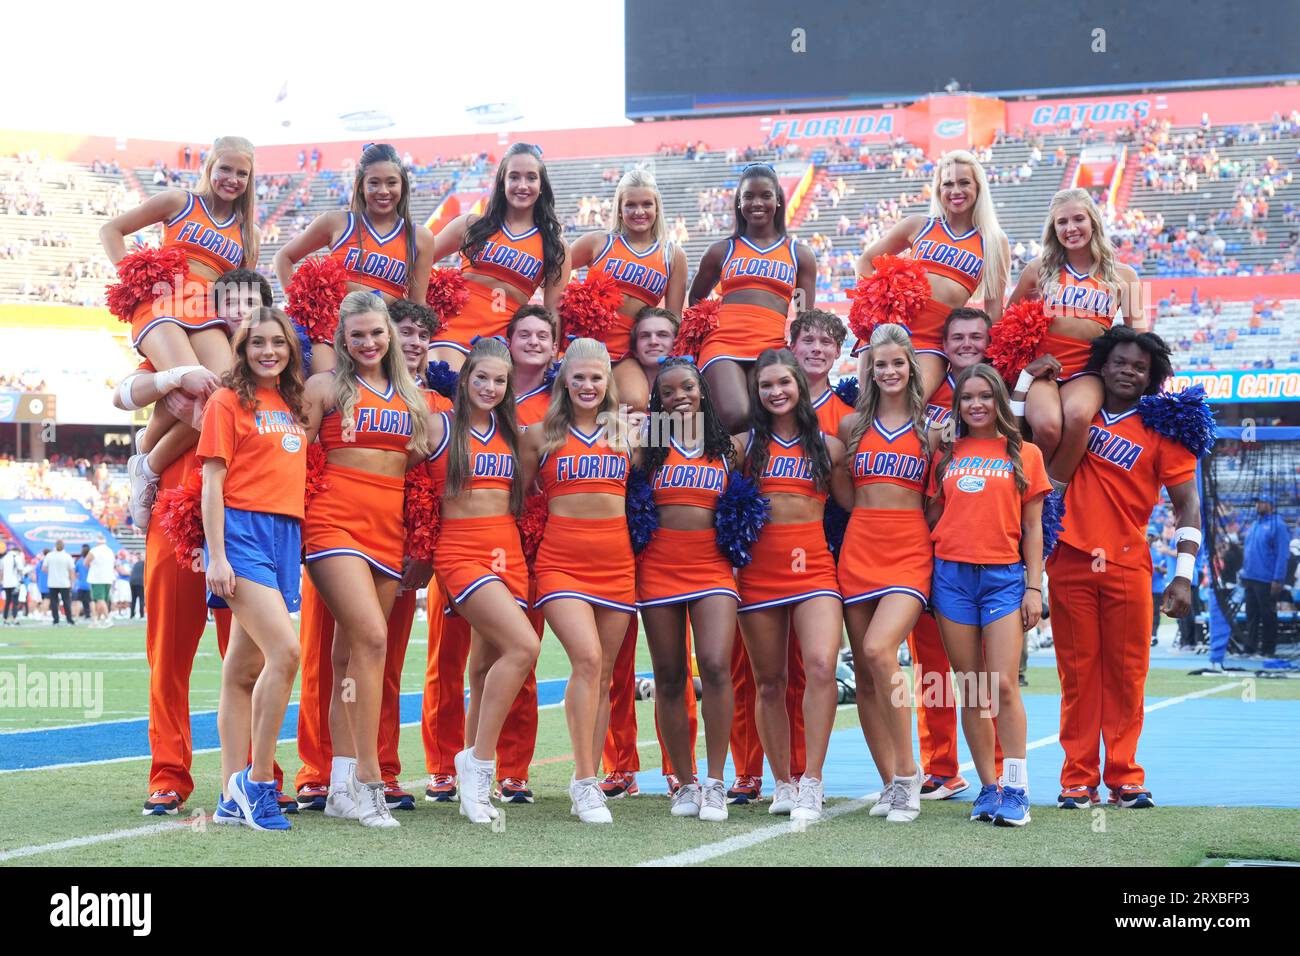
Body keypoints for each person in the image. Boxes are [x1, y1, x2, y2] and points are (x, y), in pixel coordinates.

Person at [294, 298, 446, 813]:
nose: (368, 344)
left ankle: (339, 784)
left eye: (376, 333)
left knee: (350, 661)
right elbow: (291, 455)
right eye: (357, 335)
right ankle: (370, 781)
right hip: (332, 523)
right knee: (374, 640)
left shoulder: (414, 397)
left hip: (388, 530)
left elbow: (424, 466)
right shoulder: (324, 388)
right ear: (341, 336)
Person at [1048, 326, 1202, 810]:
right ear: (1103, 364)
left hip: (1130, 565)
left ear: (1152, 375)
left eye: (1139, 366)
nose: (1128, 371)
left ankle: (1124, 776)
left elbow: (1188, 505)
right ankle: (1077, 779)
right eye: (1120, 362)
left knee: (1127, 674)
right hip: (1069, 558)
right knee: (1078, 676)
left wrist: (1183, 573)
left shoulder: (1164, 427)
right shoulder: (1074, 410)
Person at [422, 305, 556, 807]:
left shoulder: (515, 434)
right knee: (523, 648)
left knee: (486, 665)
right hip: (460, 552)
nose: (491, 388)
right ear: (466, 377)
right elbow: (400, 473)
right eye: (482, 377)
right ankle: (478, 764)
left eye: (500, 381)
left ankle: (470, 764)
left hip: (509, 552)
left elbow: (528, 492)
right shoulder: (438, 427)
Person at [727, 309, 849, 804]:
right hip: (759, 572)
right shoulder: (741, 446)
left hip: (816, 568)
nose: (776, 392)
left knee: (821, 666)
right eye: (766, 385)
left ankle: (813, 779)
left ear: (799, 384)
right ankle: (781, 783)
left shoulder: (831, 446)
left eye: (784, 382)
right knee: (769, 680)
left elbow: (856, 507)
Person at [926, 364, 1051, 827]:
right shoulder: (946, 454)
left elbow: (1034, 527)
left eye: (985, 395)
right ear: (957, 405)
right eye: (966, 397)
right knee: (973, 688)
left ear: (999, 400)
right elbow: (933, 513)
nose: (976, 404)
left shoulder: (1027, 454)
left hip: (1003, 578)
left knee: (1001, 685)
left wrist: (1034, 587)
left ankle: (1017, 787)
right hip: (952, 577)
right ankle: (988, 786)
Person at [518, 338, 635, 823]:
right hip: (560, 562)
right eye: (579, 376)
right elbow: (518, 498)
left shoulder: (630, 431)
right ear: (564, 379)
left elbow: (697, 437)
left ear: (609, 381)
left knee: (603, 672)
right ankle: (586, 782)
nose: (588, 385)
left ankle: (586, 775)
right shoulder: (539, 433)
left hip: (618, 564)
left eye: (597, 377)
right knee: (586, 658)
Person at [200, 307, 308, 830]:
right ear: (242, 350)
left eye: (279, 343)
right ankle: (258, 780)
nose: (269, 352)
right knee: (286, 652)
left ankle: (227, 795)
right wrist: (216, 555)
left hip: (285, 534)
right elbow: (212, 482)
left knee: (241, 673)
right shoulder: (227, 401)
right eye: (257, 343)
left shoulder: (292, 402)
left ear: (291, 350)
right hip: (241, 534)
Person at [636, 357, 746, 820]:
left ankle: (717, 781)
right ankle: (684, 782)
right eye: (668, 392)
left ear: (702, 391)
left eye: (687, 388)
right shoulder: (648, 446)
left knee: (718, 666)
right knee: (669, 675)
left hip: (713, 569)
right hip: (658, 568)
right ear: (657, 402)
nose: (679, 397)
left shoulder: (726, 449)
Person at [838, 324, 933, 822]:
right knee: (868, 676)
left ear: (911, 367)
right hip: (858, 550)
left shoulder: (931, 429)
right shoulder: (852, 427)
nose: (890, 371)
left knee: (879, 651)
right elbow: (843, 491)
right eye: (881, 364)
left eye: (898, 363)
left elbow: (938, 501)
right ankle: (889, 784)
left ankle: (909, 774)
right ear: (869, 371)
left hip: (909, 553)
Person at [118, 268, 272, 530]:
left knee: (219, 399)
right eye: (230, 303)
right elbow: (122, 396)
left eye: (250, 303)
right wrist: (177, 377)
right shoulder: (197, 345)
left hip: (240, 481)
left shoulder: (274, 355)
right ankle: (147, 458)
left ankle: (148, 456)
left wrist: (202, 420)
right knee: (208, 384)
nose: (240, 311)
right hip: (184, 478)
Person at [1006, 188, 1142, 484]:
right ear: (1053, 229)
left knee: (1079, 415)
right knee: (1048, 426)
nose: (1071, 228)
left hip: (1088, 371)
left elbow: (1140, 338)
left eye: (1078, 219)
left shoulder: (1124, 276)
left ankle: (1053, 495)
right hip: (1044, 371)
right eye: (1062, 222)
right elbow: (1007, 325)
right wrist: (1027, 367)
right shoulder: (1038, 269)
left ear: (1093, 221)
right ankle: (1024, 487)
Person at [855, 150, 1009, 401]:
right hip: (889, 328)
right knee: (868, 406)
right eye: (947, 183)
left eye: (964, 183)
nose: (955, 190)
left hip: (934, 341)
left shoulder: (993, 241)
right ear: (938, 189)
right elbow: (865, 261)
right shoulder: (918, 225)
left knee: (910, 404)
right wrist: (871, 309)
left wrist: (992, 363)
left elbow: (993, 311)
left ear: (978, 187)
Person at [100, 136, 256, 375]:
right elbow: (111, 230)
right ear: (210, 166)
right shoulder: (180, 202)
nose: (233, 179)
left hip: (206, 312)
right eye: (225, 168)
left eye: (242, 173)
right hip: (162, 300)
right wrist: (132, 277)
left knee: (222, 390)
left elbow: (242, 293)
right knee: (191, 382)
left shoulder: (249, 233)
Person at [274, 143, 436, 371]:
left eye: (391, 182)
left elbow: (416, 306)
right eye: (374, 183)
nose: (383, 191)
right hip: (331, 332)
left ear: (403, 185)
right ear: (360, 186)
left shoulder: (419, 238)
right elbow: (284, 258)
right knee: (330, 388)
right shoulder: (336, 223)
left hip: (379, 342)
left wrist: (420, 353)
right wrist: (301, 309)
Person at [689, 164, 818, 431]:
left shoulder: (799, 255)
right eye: (748, 196)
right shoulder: (721, 250)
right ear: (739, 202)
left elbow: (804, 312)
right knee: (737, 414)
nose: (756, 203)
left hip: (770, 346)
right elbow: (695, 299)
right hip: (723, 342)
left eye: (765, 195)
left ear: (778, 199)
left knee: (766, 421)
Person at [428, 143, 570, 369]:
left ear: (542, 185)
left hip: (503, 344)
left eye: (531, 178)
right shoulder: (470, 225)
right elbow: (420, 260)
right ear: (502, 182)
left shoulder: (554, 245)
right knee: (450, 385)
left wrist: (551, 362)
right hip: (453, 332)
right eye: (514, 177)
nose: (522, 185)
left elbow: (552, 310)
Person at [568, 167, 687, 410]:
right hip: (585, 342)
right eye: (630, 205)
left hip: (628, 351)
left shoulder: (672, 255)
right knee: (572, 404)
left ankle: (619, 448)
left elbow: (673, 319)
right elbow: (551, 271)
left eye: (646, 204)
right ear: (619, 209)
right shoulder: (598, 242)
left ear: (657, 207)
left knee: (635, 403)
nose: (639, 211)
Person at [1239, 495, 1290, 657]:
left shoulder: (1278, 525)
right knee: (1251, 614)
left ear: (1270, 505)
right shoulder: (1255, 524)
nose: (1257, 505)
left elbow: (1283, 554)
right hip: (1250, 577)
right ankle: (1250, 647)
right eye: (1256, 502)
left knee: (1268, 615)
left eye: (1261, 502)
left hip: (1267, 579)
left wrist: (1278, 579)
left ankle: (1268, 649)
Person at [86, 535, 116, 629]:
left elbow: (86, 562)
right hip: (108, 577)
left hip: (97, 577)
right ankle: (98, 621)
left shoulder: (94, 550)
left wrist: (92, 566)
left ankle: (107, 619)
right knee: (103, 600)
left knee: (99, 599)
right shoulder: (110, 551)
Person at [42, 541, 76, 626]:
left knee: (54, 602)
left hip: (52, 582)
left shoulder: (49, 556)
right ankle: (69, 619)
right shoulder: (67, 556)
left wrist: (51, 572)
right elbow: (72, 571)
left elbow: (43, 569)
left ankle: (56, 620)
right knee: (66, 601)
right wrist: (72, 582)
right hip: (64, 583)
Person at [1, 545, 24, 626]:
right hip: (14, 583)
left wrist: (2, 581)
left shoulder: (4, 558)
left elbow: (1, 571)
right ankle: (15, 619)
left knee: (7, 601)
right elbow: (20, 570)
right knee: (15, 602)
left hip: (6, 583)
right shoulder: (16, 557)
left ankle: (5, 619)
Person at [73, 545, 91, 620]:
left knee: (78, 600)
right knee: (91, 601)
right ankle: (92, 615)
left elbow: (74, 572)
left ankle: (76, 616)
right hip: (90, 584)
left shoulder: (79, 561)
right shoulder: (91, 561)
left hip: (80, 584)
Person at [129, 554, 145, 619]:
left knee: (133, 599)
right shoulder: (145, 563)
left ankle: (132, 614)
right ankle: (142, 615)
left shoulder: (136, 564)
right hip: (140, 582)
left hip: (132, 581)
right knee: (141, 598)